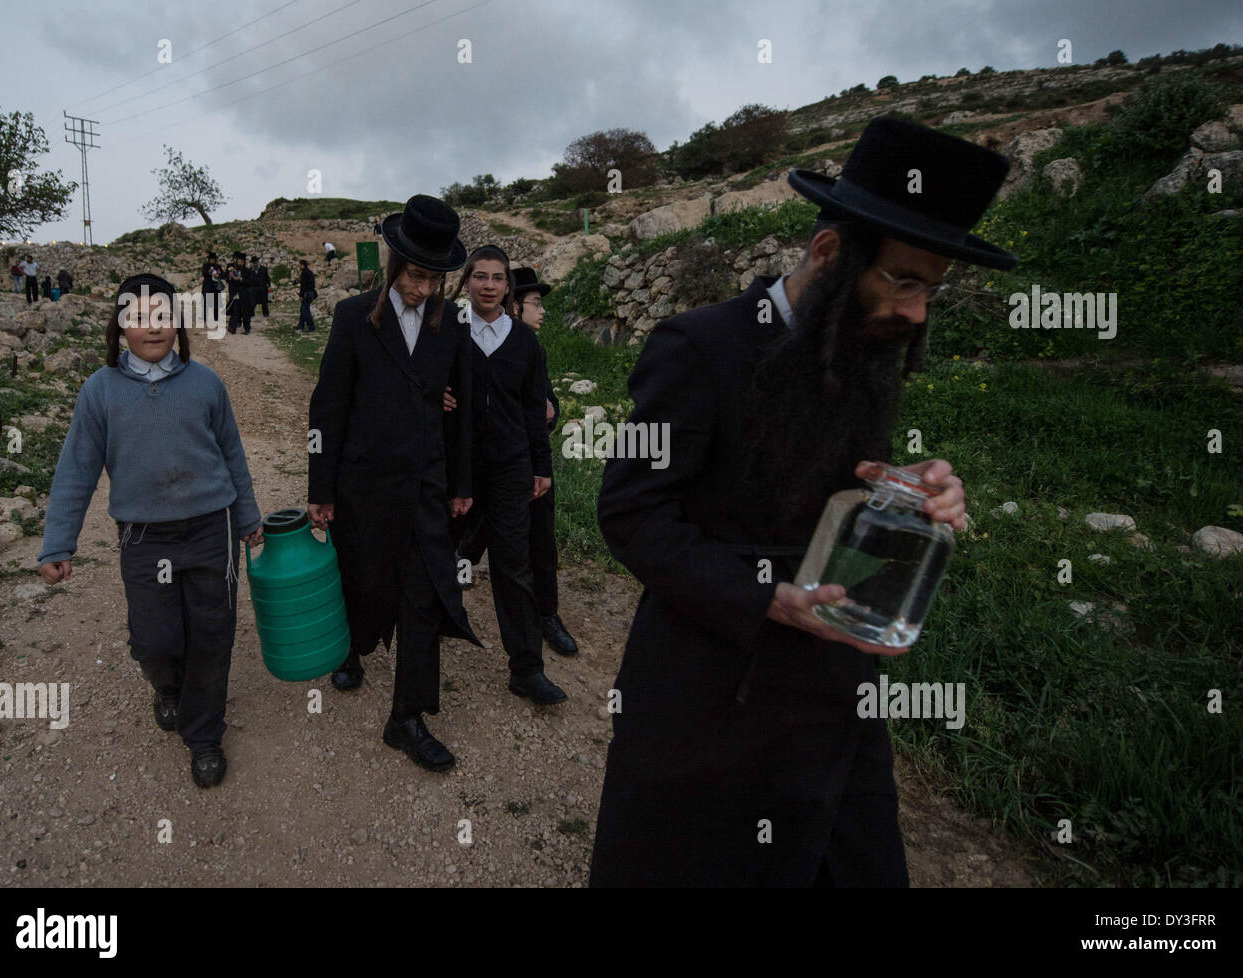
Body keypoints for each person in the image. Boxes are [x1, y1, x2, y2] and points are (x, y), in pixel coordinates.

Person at [587, 117, 1014, 887]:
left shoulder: (863, 341)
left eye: (933, 290)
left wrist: (909, 490)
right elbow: (631, 514)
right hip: (708, 696)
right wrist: (766, 599)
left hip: (832, 694)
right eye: (906, 282)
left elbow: (837, 493)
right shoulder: (698, 347)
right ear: (828, 255)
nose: (918, 313)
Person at [37, 273, 263, 788]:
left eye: (162, 315)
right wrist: (58, 542)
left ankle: (204, 735)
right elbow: (76, 470)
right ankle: (167, 685)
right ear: (121, 327)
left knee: (212, 634)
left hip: (213, 528)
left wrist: (248, 517)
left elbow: (232, 454)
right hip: (145, 539)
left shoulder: (206, 383)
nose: (152, 327)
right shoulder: (99, 392)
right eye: (138, 317)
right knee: (156, 639)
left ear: (177, 323)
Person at [307, 195, 478, 773]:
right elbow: (327, 407)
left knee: (424, 594)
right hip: (363, 483)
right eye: (416, 275)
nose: (423, 288)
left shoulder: (452, 323)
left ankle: (407, 717)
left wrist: (460, 481)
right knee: (363, 573)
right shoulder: (353, 317)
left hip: (426, 484)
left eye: (434, 279)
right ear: (393, 265)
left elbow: (463, 408)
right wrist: (321, 488)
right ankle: (352, 646)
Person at [452, 245, 566, 706]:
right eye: (480, 276)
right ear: (467, 283)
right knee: (441, 551)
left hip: (511, 468)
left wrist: (541, 467)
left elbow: (533, 409)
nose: (488, 286)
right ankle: (439, 627)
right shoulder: (450, 333)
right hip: (457, 468)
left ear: (508, 287)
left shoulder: (524, 342)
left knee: (512, 565)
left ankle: (526, 668)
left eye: (498, 278)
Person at [201, 251, 223, 327]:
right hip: (207, 287)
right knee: (206, 303)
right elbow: (204, 273)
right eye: (211, 259)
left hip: (216, 288)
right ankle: (205, 318)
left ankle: (216, 318)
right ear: (209, 259)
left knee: (216, 303)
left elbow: (222, 275)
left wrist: (219, 273)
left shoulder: (218, 266)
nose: (212, 260)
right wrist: (209, 272)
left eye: (213, 259)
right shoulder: (206, 266)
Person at [296, 260, 316, 332]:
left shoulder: (304, 273)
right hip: (310, 293)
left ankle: (311, 327)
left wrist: (301, 295)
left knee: (305, 311)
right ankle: (300, 326)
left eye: (299, 265)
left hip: (306, 294)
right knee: (303, 310)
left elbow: (303, 286)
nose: (299, 267)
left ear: (302, 265)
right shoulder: (309, 272)